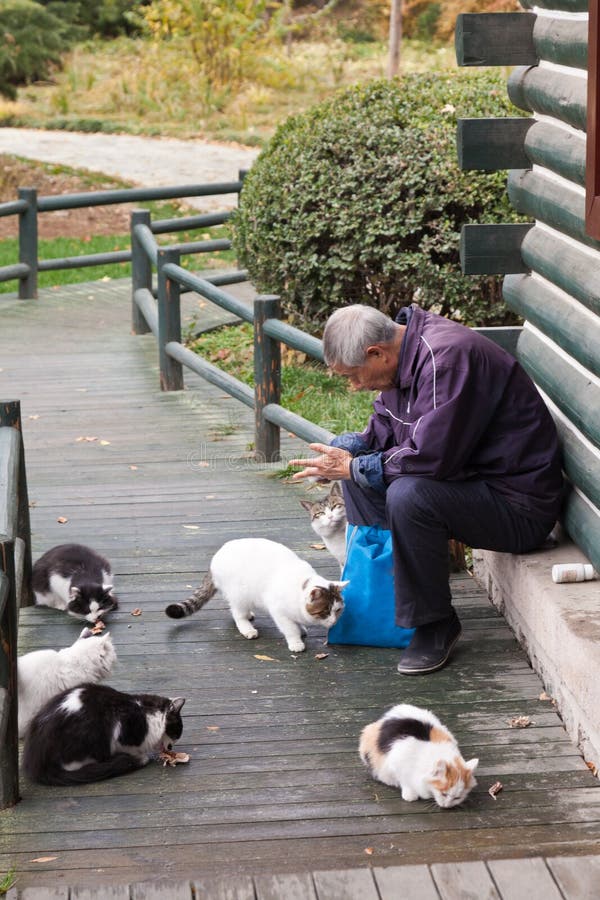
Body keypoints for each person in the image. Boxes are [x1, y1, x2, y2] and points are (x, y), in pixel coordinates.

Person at [290, 304, 563, 675]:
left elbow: (431, 460)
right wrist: (344, 456)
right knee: (357, 478)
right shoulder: (405, 355)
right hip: (470, 486)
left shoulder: (447, 362)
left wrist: (355, 466)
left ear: (376, 353)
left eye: (353, 376)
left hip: (517, 508)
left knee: (409, 495)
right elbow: (381, 433)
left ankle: (434, 622)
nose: (354, 386)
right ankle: (384, 604)